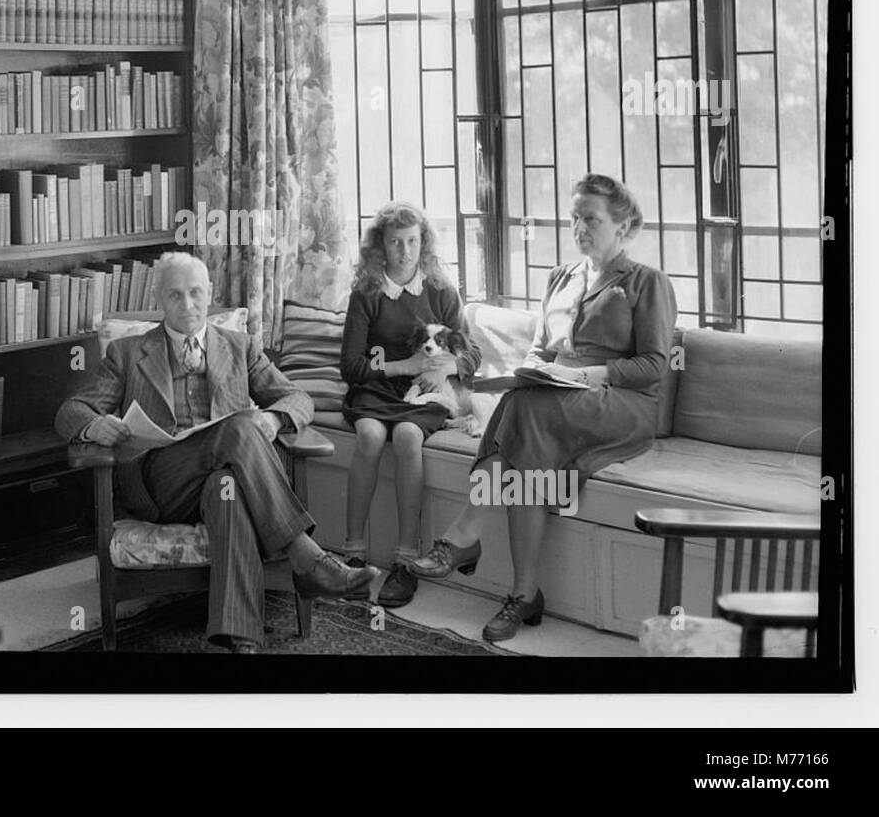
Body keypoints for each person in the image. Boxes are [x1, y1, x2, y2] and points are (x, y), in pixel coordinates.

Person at [55, 252, 374, 653]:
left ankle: (240, 638)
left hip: (218, 483)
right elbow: (70, 411)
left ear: (209, 295)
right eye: (175, 295)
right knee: (240, 428)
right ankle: (307, 557)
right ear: (159, 299)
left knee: (227, 484)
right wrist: (93, 425)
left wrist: (274, 421)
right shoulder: (127, 353)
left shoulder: (241, 348)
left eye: (195, 294)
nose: (187, 305)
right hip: (160, 485)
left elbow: (297, 398)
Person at [410, 174, 678, 641]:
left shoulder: (646, 283)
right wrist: (533, 371)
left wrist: (587, 376)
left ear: (623, 225)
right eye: (573, 218)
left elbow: (654, 365)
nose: (578, 227)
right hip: (555, 401)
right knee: (526, 440)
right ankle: (523, 595)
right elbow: (539, 352)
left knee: (525, 408)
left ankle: (464, 535)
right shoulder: (560, 278)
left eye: (590, 218)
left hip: (621, 403)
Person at [338, 202, 481, 608]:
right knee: (368, 434)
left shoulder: (441, 290)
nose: (405, 250)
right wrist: (405, 363)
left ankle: (405, 559)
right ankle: (352, 555)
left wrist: (445, 367)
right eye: (396, 241)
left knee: (406, 437)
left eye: (413, 241)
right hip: (377, 388)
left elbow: (473, 356)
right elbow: (351, 366)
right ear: (380, 245)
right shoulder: (366, 293)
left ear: (424, 243)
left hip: (427, 392)